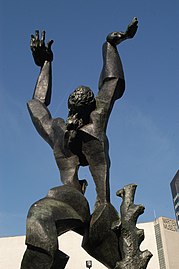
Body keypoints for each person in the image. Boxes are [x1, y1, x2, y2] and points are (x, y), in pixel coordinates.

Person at [21, 18, 138, 269]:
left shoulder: (94, 122)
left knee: (122, 260)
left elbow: (111, 82)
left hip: (102, 211)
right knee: (39, 217)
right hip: (73, 200)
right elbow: (37, 106)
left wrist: (111, 46)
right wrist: (45, 63)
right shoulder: (61, 130)